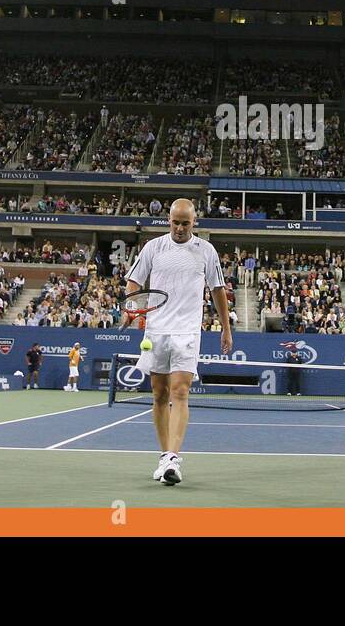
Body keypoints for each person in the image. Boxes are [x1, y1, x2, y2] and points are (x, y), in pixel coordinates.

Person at [126, 198, 230, 486]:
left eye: (186, 223)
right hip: (156, 332)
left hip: (187, 333)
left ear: (194, 222)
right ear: (168, 221)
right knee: (159, 395)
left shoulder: (206, 251)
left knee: (180, 392)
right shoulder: (153, 248)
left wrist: (225, 328)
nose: (180, 228)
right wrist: (133, 308)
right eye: (176, 222)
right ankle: (164, 457)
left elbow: (218, 290)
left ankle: (173, 457)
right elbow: (134, 281)